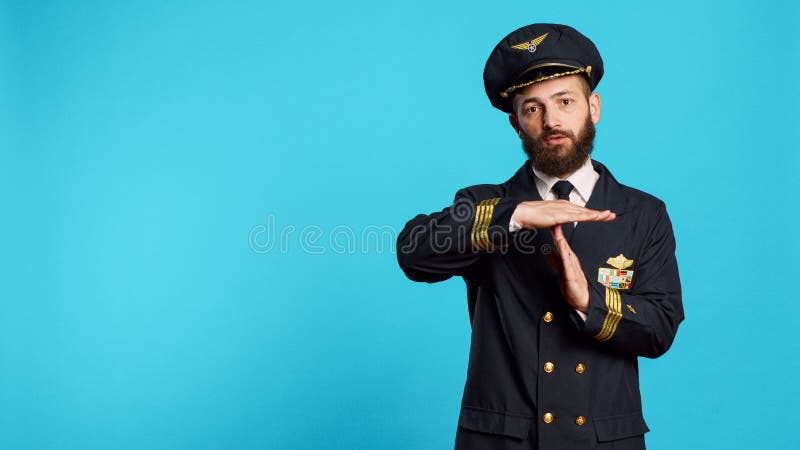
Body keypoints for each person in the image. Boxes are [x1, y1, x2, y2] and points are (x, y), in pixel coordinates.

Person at [396, 23, 683, 450]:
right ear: (515, 124)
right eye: (532, 108)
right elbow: (413, 251)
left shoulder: (644, 213)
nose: (551, 120)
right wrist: (518, 214)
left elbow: (659, 328)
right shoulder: (486, 204)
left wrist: (587, 300)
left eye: (565, 101)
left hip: (604, 442)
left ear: (594, 107)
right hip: (503, 441)